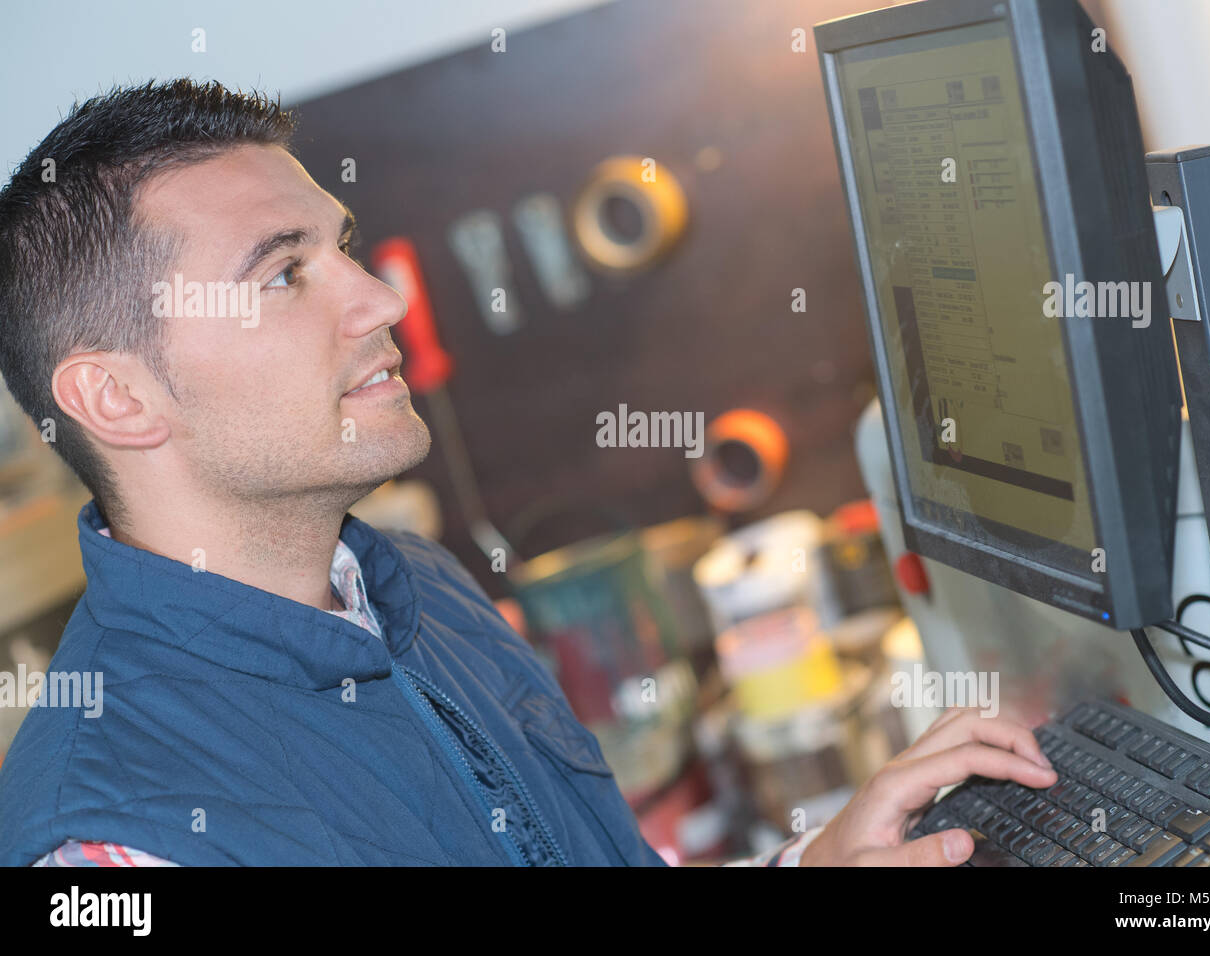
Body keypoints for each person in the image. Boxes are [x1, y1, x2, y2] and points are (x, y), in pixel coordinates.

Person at [0, 80, 1056, 867]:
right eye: (283, 274)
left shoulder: (417, 584)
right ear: (117, 398)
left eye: (343, 249)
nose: (376, 300)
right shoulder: (113, 843)